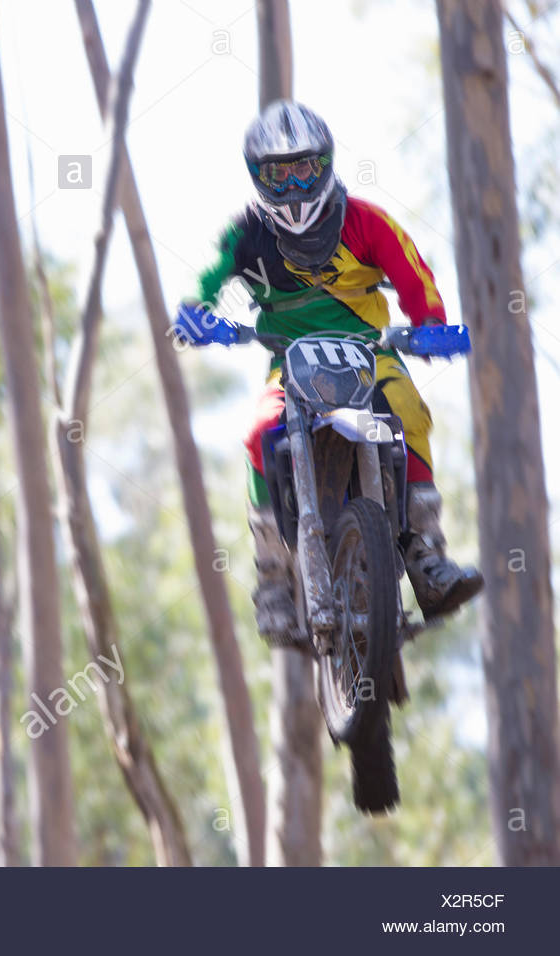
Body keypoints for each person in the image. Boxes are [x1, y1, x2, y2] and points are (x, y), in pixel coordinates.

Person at [173, 100, 482, 644]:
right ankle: (272, 578)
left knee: (409, 410)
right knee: (257, 433)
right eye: (278, 174)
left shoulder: (367, 221)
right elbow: (207, 279)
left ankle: (427, 555)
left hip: (372, 354)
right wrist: (196, 314)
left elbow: (416, 278)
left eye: (304, 169)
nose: (293, 186)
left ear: (327, 163)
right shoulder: (245, 234)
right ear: (257, 176)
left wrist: (430, 324)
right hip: (287, 363)